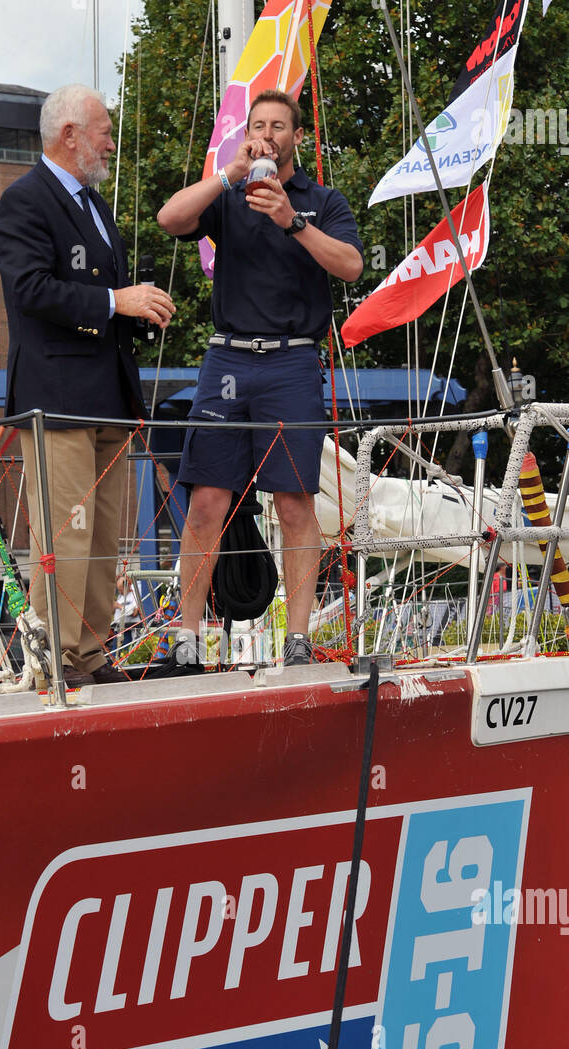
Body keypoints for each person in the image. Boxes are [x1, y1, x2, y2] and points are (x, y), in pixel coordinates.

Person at [157, 89, 363, 670]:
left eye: (278, 125)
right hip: (227, 360)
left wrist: (290, 219)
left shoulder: (322, 201)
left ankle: (297, 642)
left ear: (298, 136)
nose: (268, 132)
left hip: (292, 361)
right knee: (206, 500)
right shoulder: (230, 193)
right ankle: (188, 641)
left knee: (295, 503)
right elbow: (171, 218)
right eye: (258, 124)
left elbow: (350, 265)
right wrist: (231, 173)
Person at [0, 84, 175, 688]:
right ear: (68, 134)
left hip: (107, 397)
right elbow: (30, 291)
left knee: (99, 539)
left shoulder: (95, 206)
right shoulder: (23, 202)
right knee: (64, 534)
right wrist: (114, 300)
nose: (110, 140)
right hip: (57, 399)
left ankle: (90, 655)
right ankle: (53, 661)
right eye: (102, 128)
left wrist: (132, 309)